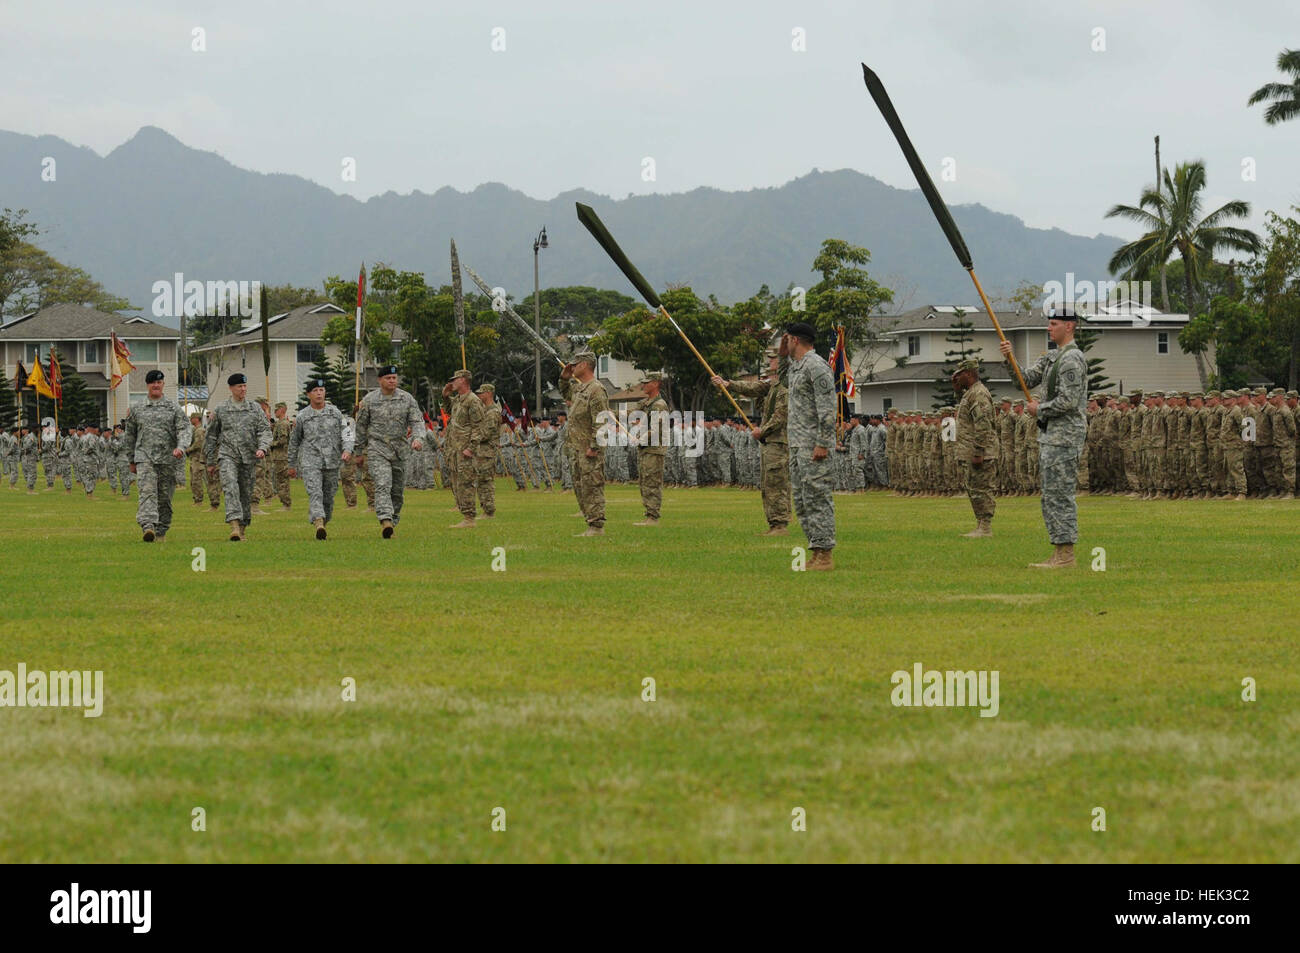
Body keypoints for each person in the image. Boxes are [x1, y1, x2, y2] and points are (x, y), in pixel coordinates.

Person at [999, 308, 1087, 568]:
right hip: (1050, 436)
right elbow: (1024, 380)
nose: (1049, 328)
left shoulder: (1072, 359)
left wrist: (1041, 409)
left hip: (1065, 437)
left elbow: (1069, 402)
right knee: (1050, 495)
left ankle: (1066, 555)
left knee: (1060, 495)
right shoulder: (1052, 358)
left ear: (1069, 327)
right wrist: (1009, 359)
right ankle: (1058, 551)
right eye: (1049, 324)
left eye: (1054, 324)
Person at [713, 349, 791, 535]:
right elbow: (753, 388)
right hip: (769, 442)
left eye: (773, 359)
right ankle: (774, 524)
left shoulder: (786, 385)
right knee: (768, 483)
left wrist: (761, 430)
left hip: (778, 441)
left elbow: (781, 415)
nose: (770, 362)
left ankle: (780, 525)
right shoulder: (773, 384)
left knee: (776, 483)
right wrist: (728, 384)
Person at [784, 323, 837, 570]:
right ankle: (815, 551)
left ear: (795, 340)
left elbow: (827, 409)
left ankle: (825, 555)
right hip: (798, 445)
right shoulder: (796, 368)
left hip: (814, 446)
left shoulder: (816, 366)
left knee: (817, 499)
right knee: (803, 501)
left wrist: (823, 443)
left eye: (786, 338)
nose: (783, 343)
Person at [353, 365, 425, 538]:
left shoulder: (406, 399)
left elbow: (417, 421)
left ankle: (392, 520)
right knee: (383, 484)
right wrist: (358, 452)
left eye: (394, 378)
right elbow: (361, 427)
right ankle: (385, 520)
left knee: (397, 492)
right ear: (380, 380)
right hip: (377, 449)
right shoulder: (369, 400)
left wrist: (418, 438)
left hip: (399, 450)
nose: (392, 381)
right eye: (388, 378)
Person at [123, 369, 191, 542]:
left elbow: (184, 428)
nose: (156, 385)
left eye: (159, 382)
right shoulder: (137, 408)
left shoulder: (173, 407)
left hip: (168, 459)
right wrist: (131, 459)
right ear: (147, 385)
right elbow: (130, 435)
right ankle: (148, 526)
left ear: (163, 385)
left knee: (164, 498)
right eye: (153, 383)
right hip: (145, 458)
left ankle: (161, 531)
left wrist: (181, 447)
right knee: (147, 492)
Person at [206, 373, 272, 541]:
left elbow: (265, 430)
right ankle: (233, 524)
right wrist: (210, 460)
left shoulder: (254, 408)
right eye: (239, 387)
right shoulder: (221, 409)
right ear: (231, 388)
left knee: (245, 493)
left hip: (249, 457)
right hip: (228, 455)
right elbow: (212, 436)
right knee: (230, 488)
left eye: (244, 386)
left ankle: (242, 528)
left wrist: (262, 448)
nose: (243, 389)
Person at [288, 378, 352, 539]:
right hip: (311, 461)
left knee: (329, 497)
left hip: (332, 460)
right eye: (315, 391)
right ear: (308, 394)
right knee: (315, 492)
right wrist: (291, 464)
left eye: (321, 390)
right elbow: (294, 441)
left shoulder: (335, 413)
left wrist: (348, 449)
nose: (319, 393)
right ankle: (318, 522)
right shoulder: (303, 416)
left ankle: (324, 520)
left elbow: (347, 433)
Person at [558, 351, 609, 536]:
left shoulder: (596, 389)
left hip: (589, 449)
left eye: (575, 364)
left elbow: (602, 421)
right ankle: (590, 524)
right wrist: (564, 379)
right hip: (576, 449)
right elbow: (566, 393)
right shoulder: (580, 389)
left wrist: (595, 446)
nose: (571, 367)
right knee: (581, 488)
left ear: (585, 365)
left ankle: (597, 527)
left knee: (592, 487)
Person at [952, 358, 998, 537]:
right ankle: (980, 525)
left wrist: (978, 451)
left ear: (969, 374)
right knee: (974, 488)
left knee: (982, 489)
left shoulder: (978, 393)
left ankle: (985, 527)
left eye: (960, 374)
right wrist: (957, 391)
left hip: (981, 452)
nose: (957, 377)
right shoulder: (970, 393)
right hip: (971, 450)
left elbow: (983, 424)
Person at [631, 372, 669, 526]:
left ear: (655, 383)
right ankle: (649, 514)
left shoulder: (659, 405)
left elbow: (655, 429)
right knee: (645, 482)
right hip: (646, 449)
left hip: (654, 449)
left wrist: (639, 438)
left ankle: (653, 517)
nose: (643, 385)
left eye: (646, 383)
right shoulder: (647, 403)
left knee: (651, 482)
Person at [270, 401, 293, 510]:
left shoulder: (283, 424)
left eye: (277, 410)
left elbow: (283, 440)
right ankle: (285, 503)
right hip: (279, 456)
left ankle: (286, 503)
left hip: (282, 456)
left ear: (282, 410)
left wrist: (271, 444)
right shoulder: (279, 423)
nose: (275, 412)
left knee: (282, 481)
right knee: (280, 480)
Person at [186, 413, 207, 506]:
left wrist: (188, 450)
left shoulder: (199, 431)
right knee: (193, 480)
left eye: (192, 418)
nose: (190, 419)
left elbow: (198, 444)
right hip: (194, 458)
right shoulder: (196, 430)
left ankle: (199, 501)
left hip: (198, 458)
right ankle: (196, 500)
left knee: (196, 480)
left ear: (196, 419)